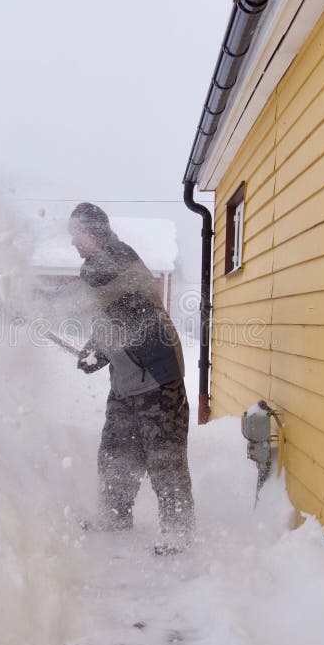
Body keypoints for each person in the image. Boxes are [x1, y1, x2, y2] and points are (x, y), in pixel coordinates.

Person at [69, 202, 194, 554]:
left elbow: (118, 302)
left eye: (76, 235)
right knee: (115, 453)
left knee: (165, 458)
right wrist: (97, 351)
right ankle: (113, 516)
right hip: (125, 383)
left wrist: (38, 303)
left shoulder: (117, 258)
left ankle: (178, 530)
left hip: (157, 377)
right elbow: (110, 318)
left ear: (95, 232)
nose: (72, 244)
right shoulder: (97, 268)